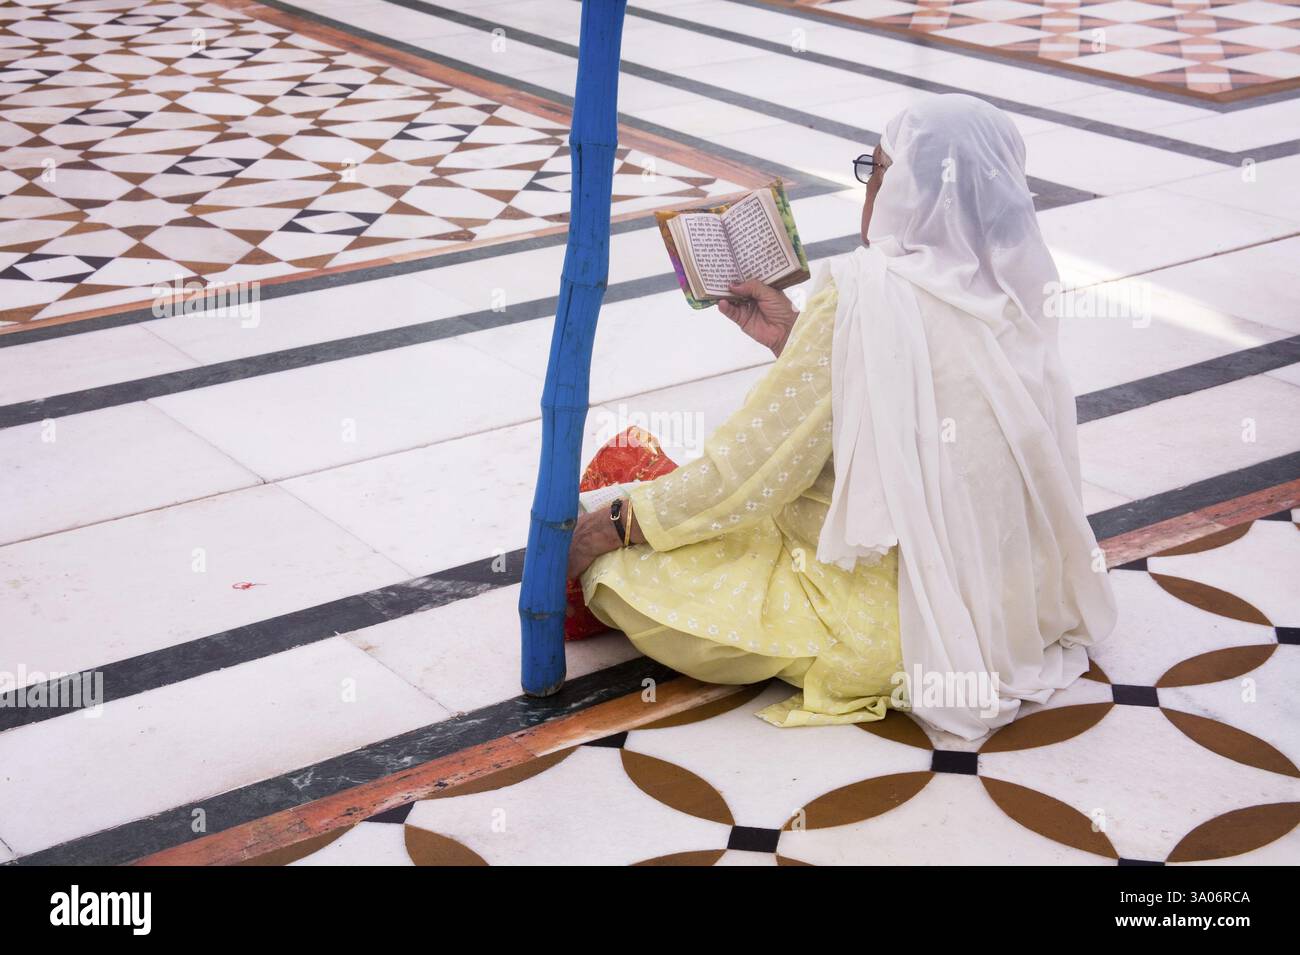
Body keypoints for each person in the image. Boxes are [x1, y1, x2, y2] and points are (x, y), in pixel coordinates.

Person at [566, 94, 1118, 739]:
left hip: (885, 632)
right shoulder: (1017, 287)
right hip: (1014, 612)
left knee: (625, 567)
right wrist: (790, 341)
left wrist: (615, 525)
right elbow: (908, 400)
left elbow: (752, 468)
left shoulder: (864, 291)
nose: (871, 186)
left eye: (879, 169)